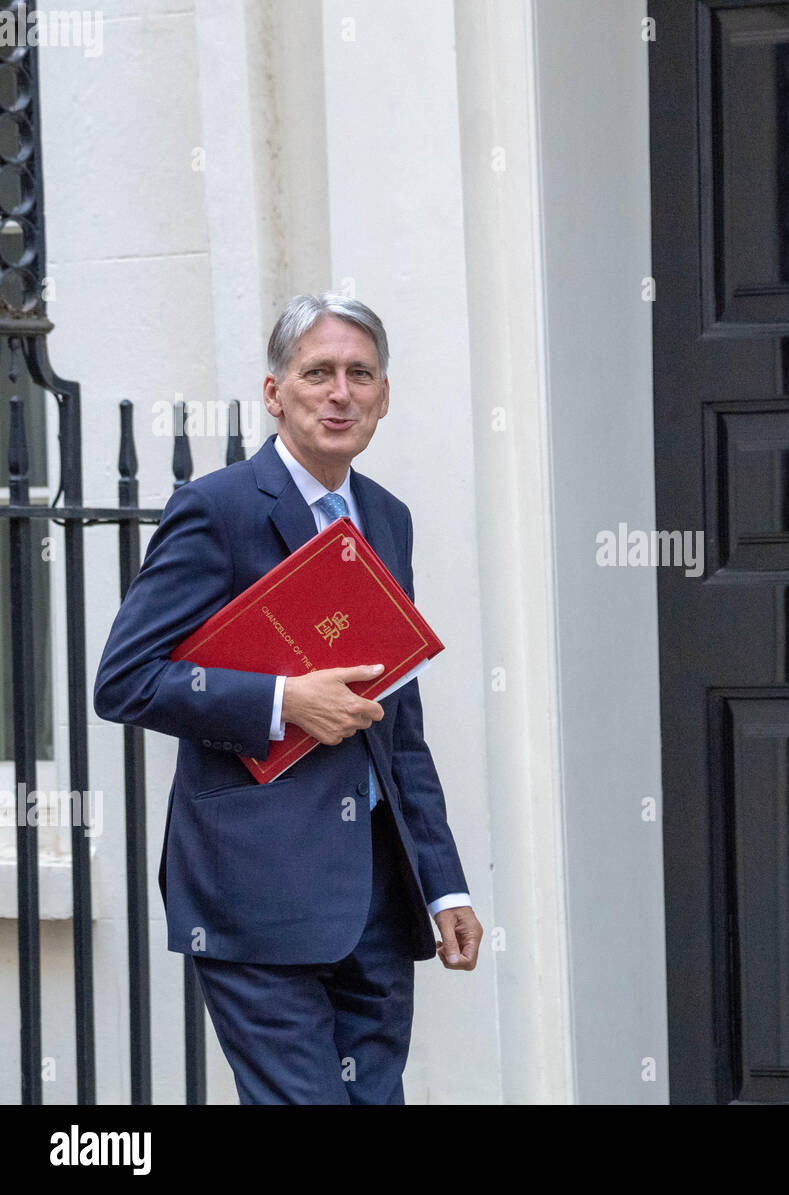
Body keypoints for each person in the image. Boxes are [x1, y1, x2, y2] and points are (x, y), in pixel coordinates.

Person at [94, 293, 483, 1104]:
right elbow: (126, 678)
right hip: (254, 891)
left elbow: (399, 720)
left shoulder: (387, 518)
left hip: (377, 892)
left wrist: (443, 881)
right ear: (276, 393)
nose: (340, 392)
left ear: (383, 394)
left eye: (360, 374)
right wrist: (282, 700)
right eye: (318, 373)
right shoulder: (218, 508)